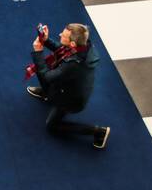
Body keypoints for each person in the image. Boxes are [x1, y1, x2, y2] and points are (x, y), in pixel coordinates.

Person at [23, 15, 110, 148]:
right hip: (70, 86)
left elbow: (47, 76)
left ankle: (99, 132)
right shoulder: (84, 46)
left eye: (63, 35)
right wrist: (46, 41)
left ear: (73, 44)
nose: (59, 35)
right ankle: (47, 93)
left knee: (52, 126)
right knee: (49, 80)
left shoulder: (73, 65)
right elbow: (62, 50)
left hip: (71, 99)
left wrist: (38, 52)